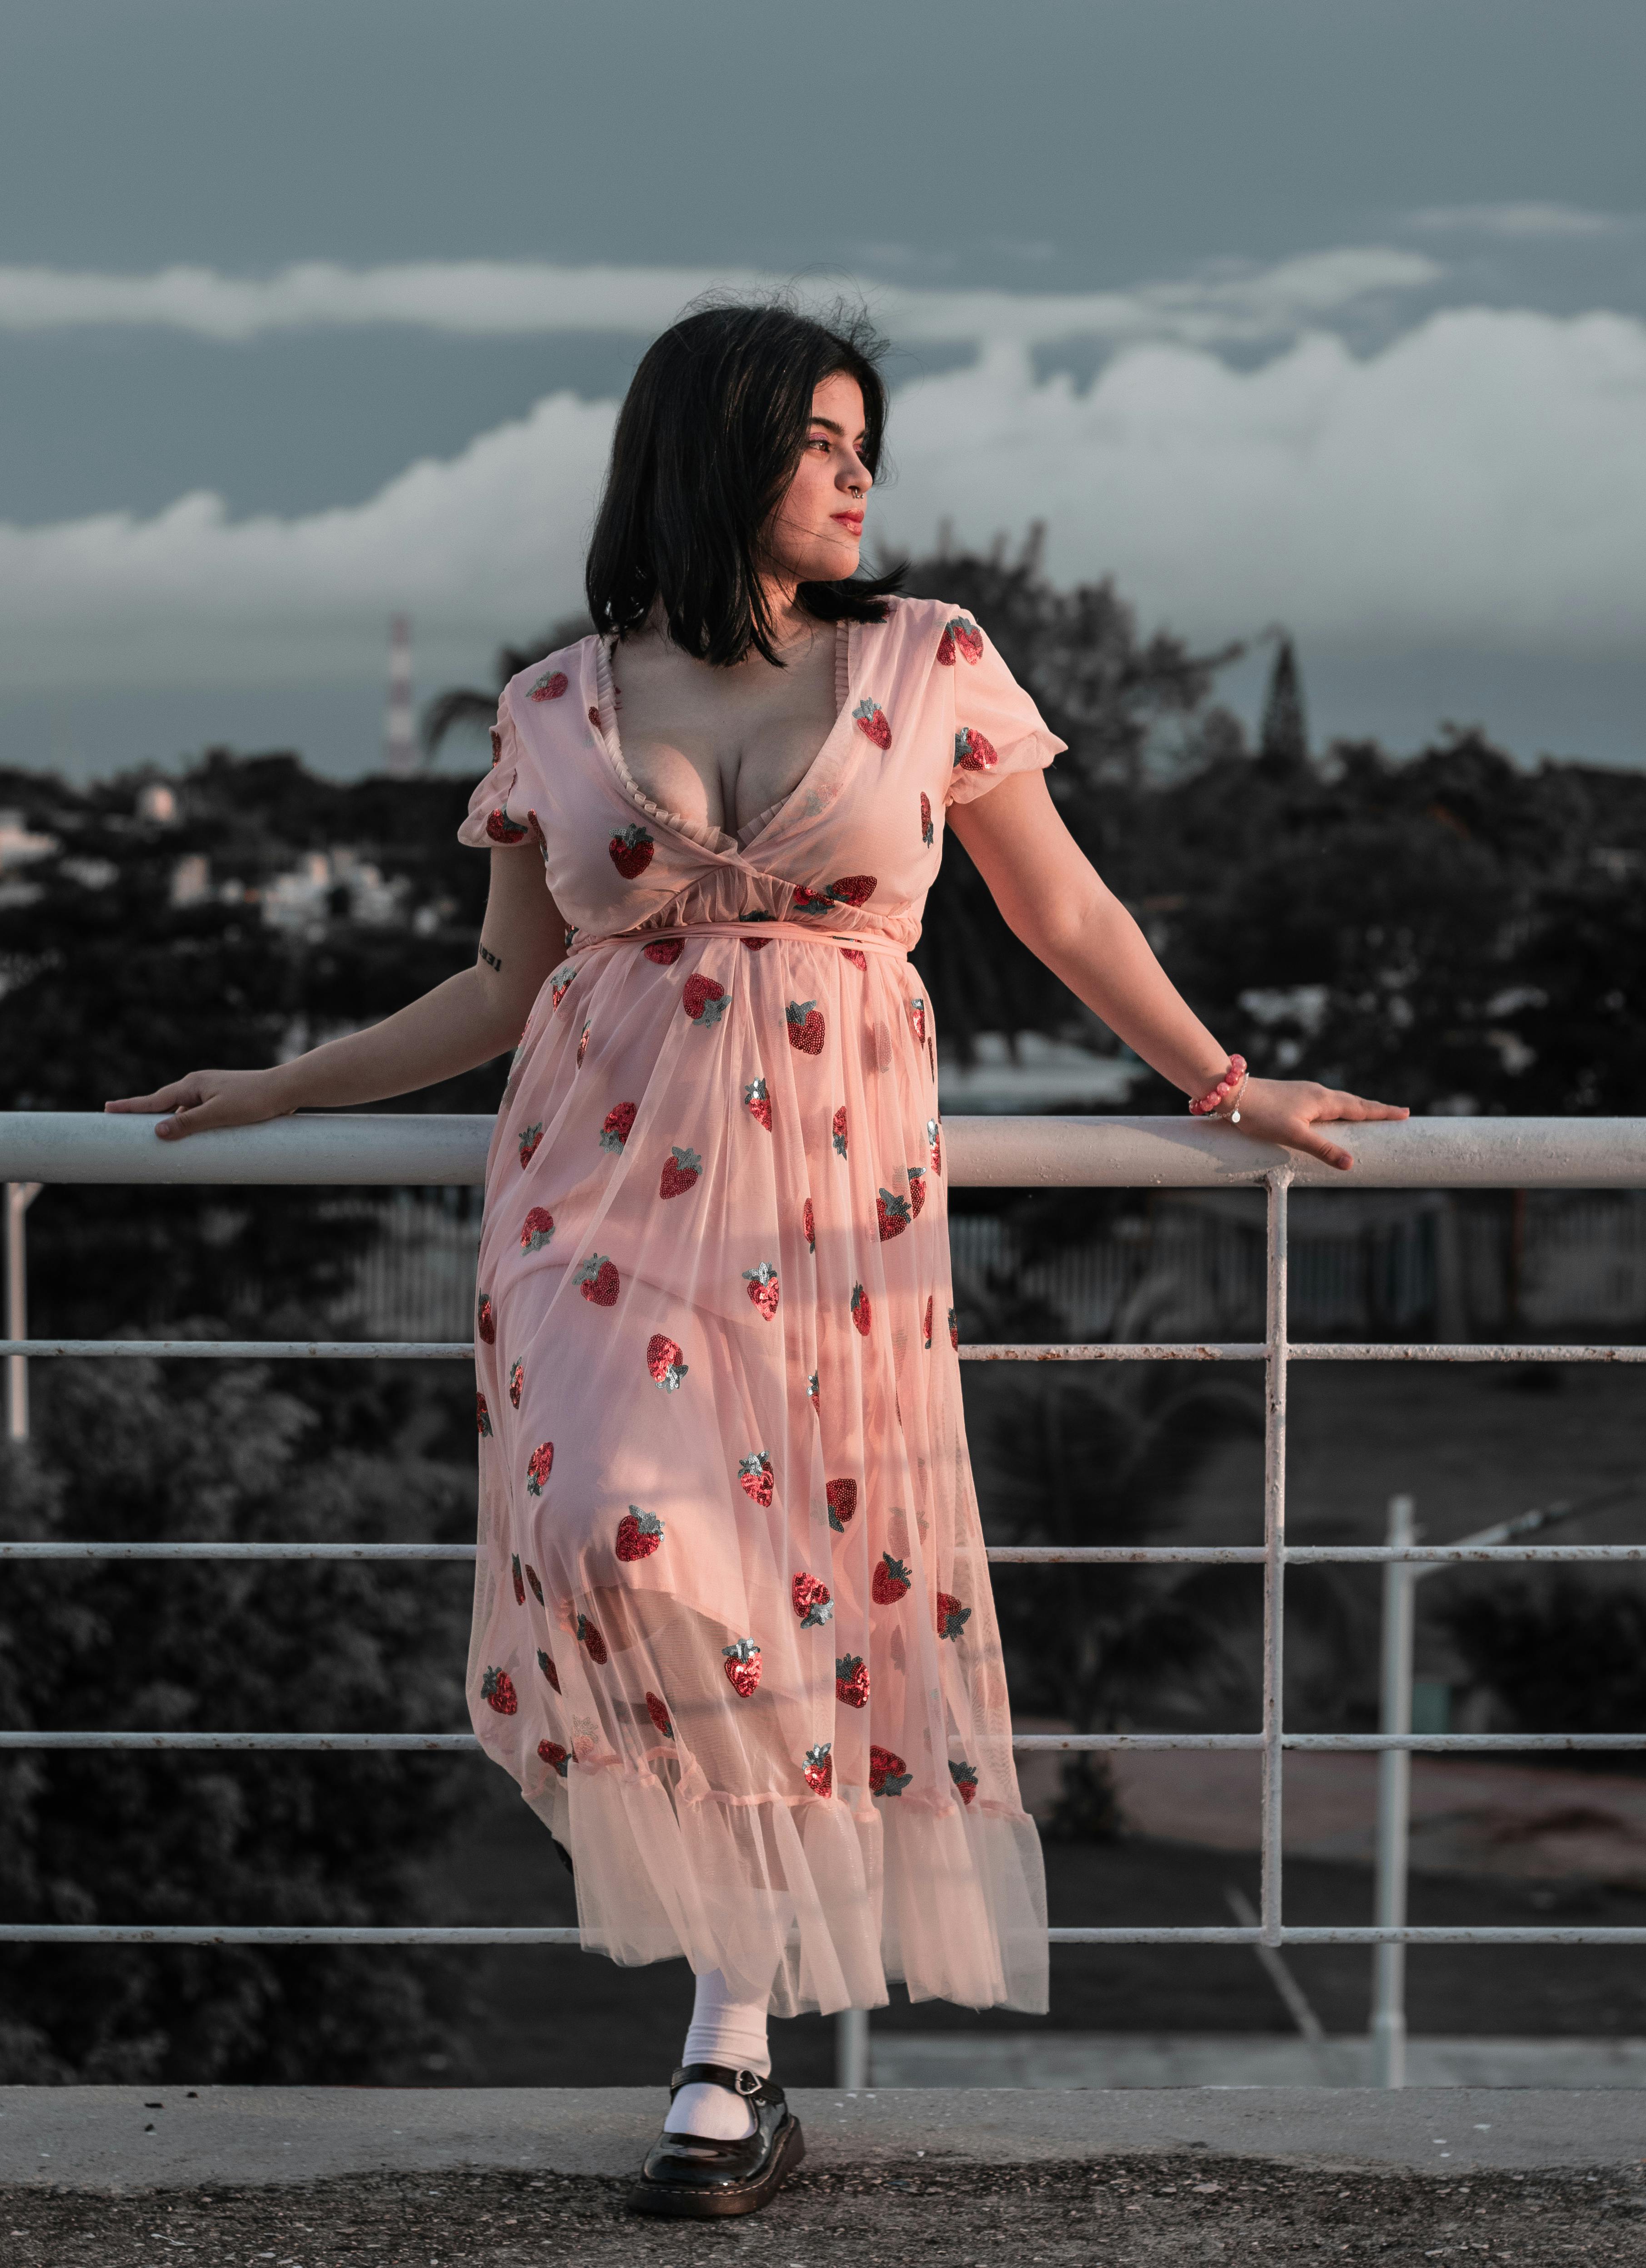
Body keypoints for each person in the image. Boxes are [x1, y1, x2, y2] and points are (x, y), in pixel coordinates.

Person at [107, 298, 1406, 2221]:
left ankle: (728, 2050)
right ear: (715, 453)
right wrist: (285, 1084)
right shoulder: (557, 704)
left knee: (792, 1592)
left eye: (866, 437)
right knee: (616, 1536)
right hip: (592, 1199)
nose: (860, 470)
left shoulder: (928, 659)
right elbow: (497, 985)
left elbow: (1061, 906)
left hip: (832, 1215)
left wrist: (1224, 1079)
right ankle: (734, 2016)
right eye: (819, 438)